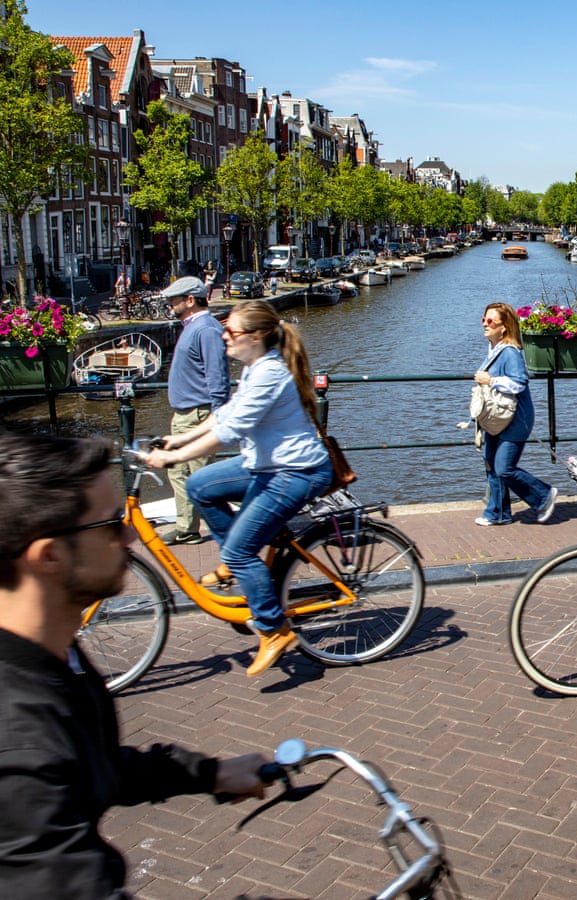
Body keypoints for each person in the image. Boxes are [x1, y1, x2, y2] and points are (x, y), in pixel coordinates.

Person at [0, 432, 267, 896]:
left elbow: (89, 764)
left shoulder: (50, 649)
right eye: (109, 525)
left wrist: (208, 773)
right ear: (48, 556)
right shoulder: (19, 744)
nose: (128, 536)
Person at [146, 300, 333, 676]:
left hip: (296, 471)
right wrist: (176, 440)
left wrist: (173, 459)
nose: (224, 337)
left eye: (230, 331)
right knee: (200, 486)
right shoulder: (254, 368)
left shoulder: (268, 374)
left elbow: (229, 433)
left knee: (238, 551)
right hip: (264, 464)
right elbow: (224, 415)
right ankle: (241, 563)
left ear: (256, 336)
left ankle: (273, 628)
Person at [474, 302, 557, 526]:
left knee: (504, 468)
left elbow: (520, 382)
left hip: (514, 419)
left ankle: (543, 496)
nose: (484, 324)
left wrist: (490, 380)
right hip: (496, 418)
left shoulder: (510, 352)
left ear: (504, 327)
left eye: (490, 321)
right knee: (491, 464)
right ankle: (498, 514)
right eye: (483, 319)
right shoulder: (493, 350)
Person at [163, 285, 230, 545]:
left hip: (198, 414)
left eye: (173, 300)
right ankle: (186, 528)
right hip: (185, 413)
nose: (170, 304)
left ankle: (226, 534)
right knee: (178, 471)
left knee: (203, 478)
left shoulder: (205, 329)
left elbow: (217, 376)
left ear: (190, 300)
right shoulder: (194, 327)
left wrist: (216, 415)